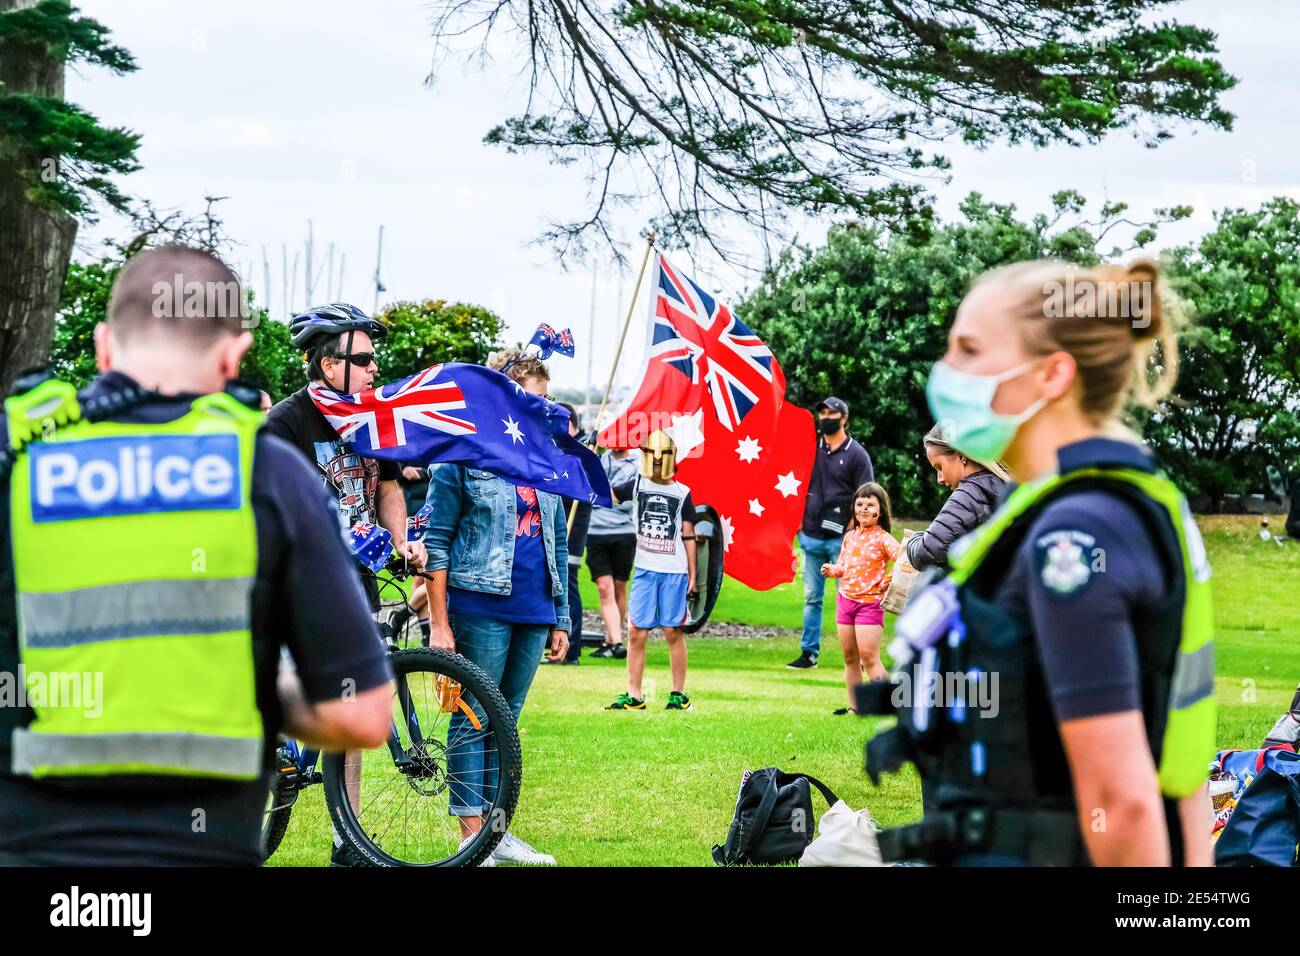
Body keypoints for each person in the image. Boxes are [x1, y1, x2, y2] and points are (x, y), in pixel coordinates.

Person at [0, 245, 394, 865]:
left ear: (105, 347)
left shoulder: (16, 458)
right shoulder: (268, 474)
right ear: (233, 358)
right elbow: (362, 715)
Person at [862, 258, 1215, 866]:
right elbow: (1180, 773)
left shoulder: (1076, 536)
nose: (948, 373)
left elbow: (1121, 799)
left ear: (1051, 375)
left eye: (970, 349)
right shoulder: (1076, 504)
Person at [421, 349, 569, 866]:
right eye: (533, 398)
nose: (541, 408)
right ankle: (471, 837)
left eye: (545, 400)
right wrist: (439, 622)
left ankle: (496, 832)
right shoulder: (460, 451)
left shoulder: (544, 455)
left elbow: (558, 539)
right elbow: (436, 539)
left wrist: (562, 616)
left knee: (507, 721)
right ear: (503, 395)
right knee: (473, 717)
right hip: (477, 603)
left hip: (535, 606)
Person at [264, 303, 427, 608]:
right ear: (328, 366)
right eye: (363, 360)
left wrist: (402, 541)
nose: (373, 368)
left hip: (362, 581)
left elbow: (388, 486)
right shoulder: (284, 422)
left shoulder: (372, 418)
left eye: (372, 359)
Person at [605, 430, 698, 711]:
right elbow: (608, 493)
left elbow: (688, 534)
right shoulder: (638, 484)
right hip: (645, 570)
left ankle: (678, 693)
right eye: (652, 460)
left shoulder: (683, 493)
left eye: (660, 461)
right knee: (637, 633)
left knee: (672, 631)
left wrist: (693, 575)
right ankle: (634, 695)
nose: (655, 466)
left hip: (674, 571)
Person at [788, 396, 874, 670]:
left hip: (842, 539)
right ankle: (808, 653)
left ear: (844, 418)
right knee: (812, 597)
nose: (825, 417)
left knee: (847, 598)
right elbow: (798, 487)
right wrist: (799, 524)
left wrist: (854, 526)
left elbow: (868, 495)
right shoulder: (811, 450)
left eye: (831, 413)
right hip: (811, 534)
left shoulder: (856, 454)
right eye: (822, 412)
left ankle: (859, 656)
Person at [822, 482, 900, 715]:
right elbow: (845, 565)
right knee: (850, 657)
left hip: (870, 605)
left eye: (870, 505)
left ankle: (891, 707)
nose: (864, 509)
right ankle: (856, 708)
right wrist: (832, 569)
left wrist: (891, 579)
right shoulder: (850, 537)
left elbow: (904, 560)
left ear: (880, 510)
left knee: (869, 657)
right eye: (860, 504)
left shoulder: (884, 538)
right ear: (854, 508)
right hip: (845, 601)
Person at [904, 422, 1008, 570]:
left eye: (939, 467)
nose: (939, 479)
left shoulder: (971, 493)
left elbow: (926, 553)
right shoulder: (1001, 484)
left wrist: (913, 540)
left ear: (961, 455)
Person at [585, 445, 638, 658]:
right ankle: (616, 643)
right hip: (596, 532)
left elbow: (626, 501)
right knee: (604, 588)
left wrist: (605, 496)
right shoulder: (597, 459)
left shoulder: (637, 465)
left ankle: (611, 639)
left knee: (619, 587)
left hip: (624, 532)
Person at [552, 402, 592, 666]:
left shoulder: (582, 450)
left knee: (569, 586)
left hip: (572, 527)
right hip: (557, 526)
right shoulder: (559, 447)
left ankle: (573, 648)